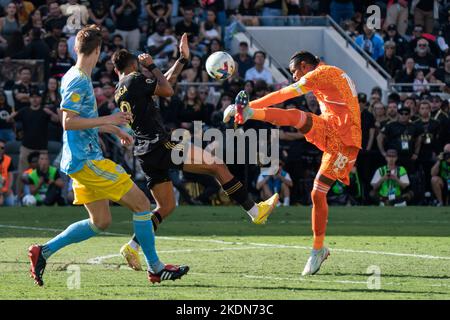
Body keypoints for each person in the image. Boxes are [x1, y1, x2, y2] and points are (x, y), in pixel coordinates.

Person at [28, 25, 189, 287]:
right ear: (98, 51)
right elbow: (68, 122)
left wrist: (111, 127)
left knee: (100, 221)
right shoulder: (79, 79)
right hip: (87, 160)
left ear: (76, 48)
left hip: (78, 160)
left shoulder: (73, 74)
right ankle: (156, 268)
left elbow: (83, 119)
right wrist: (111, 118)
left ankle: (42, 251)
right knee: (142, 206)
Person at [112, 34, 278, 271]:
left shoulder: (121, 89)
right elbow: (167, 89)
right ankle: (255, 211)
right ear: (133, 65)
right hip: (160, 144)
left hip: (145, 152)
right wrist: (151, 66)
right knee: (217, 165)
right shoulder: (136, 78)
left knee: (166, 207)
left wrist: (181, 59)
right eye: (139, 66)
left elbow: (164, 82)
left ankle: (132, 246)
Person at [224, 51, 361, 276]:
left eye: (295, 71)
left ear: (306, 66)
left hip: (345, 141)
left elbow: (283, 93)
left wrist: (251, 102)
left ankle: (318, 249)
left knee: (318, 193)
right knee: (297, 116)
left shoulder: (321, 73)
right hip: (331, 126)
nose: (295, 76)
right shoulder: (329, 72)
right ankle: (249, 113)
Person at [0, 139, 14, 206]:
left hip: (5, 190)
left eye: (2, 148)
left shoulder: (8, 159)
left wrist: (9, 188)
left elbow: (10, 176)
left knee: (11, 204)